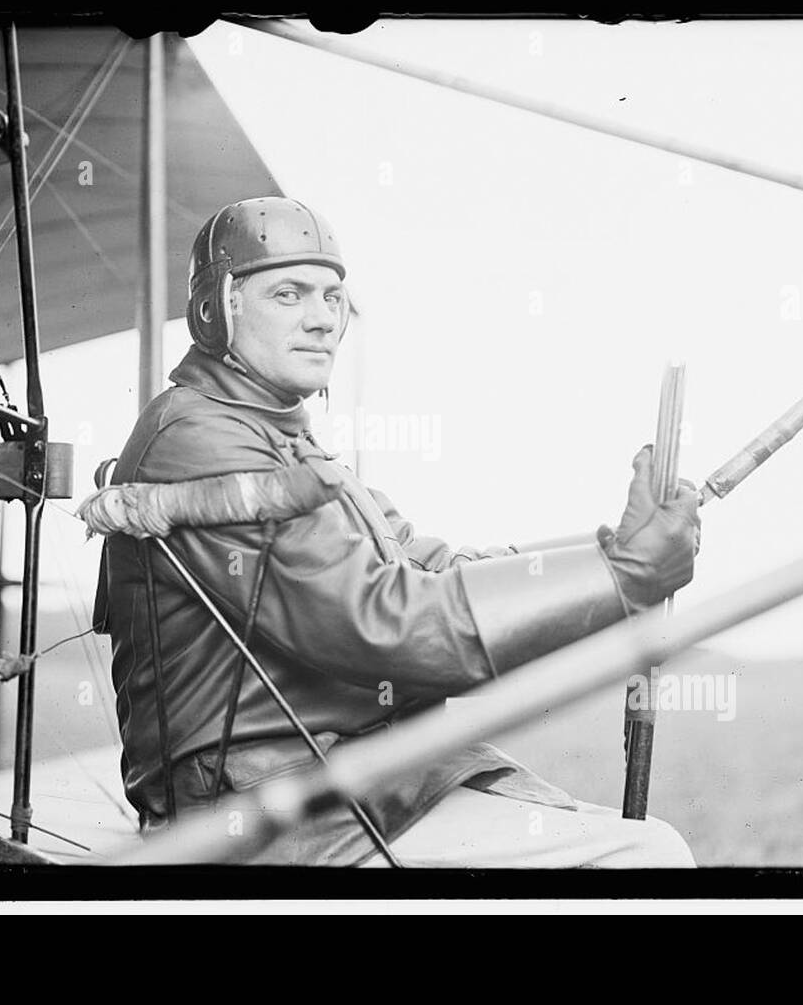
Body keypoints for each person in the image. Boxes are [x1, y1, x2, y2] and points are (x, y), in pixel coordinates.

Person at [89, 196, 701, 867]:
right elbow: (382, 623)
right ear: (216, 309)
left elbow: (432, 567)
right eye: (289, 294)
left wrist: (611, 553)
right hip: (259, 811)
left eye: (332, 297)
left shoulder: (282, 440)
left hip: (350, 777)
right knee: (646, 855)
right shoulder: (203, 439)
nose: (322, 319)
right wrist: (625, 577)